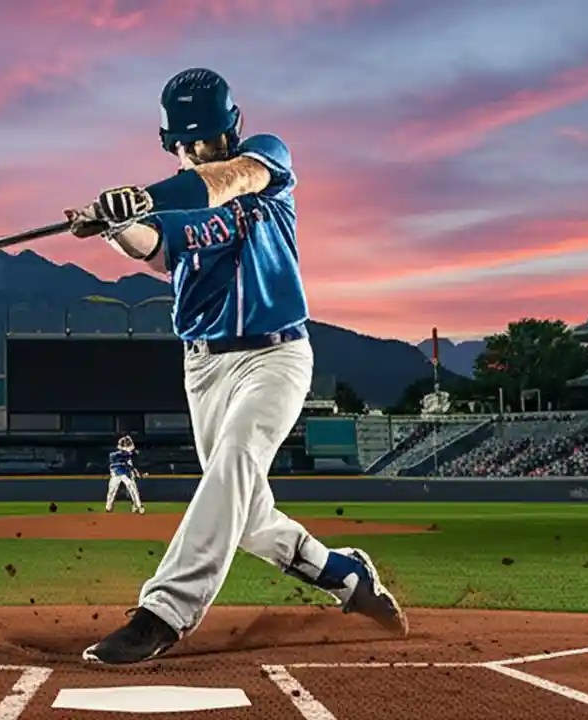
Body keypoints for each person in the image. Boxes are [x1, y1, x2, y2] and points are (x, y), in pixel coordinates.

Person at [64, 68, 407, 666]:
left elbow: (229, 180)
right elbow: (152, 246)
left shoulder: (265, 159)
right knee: (245, 513)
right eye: (186, 143)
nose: (197, 151)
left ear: (233, 127)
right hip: (203, 369)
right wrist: (119, 227)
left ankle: (163, 613)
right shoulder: (172, 198)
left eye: (209, 138)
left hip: (274, 354)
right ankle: (347, 576)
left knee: (236, 460)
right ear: (168, 139)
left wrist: (143, 197)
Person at [105, 435, 145, 514]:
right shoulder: (115, 453)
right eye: (127, 444)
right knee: (112, 490)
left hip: (125, 474)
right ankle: (108, 507)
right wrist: (128, 454)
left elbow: (131, 464)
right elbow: (114, 457)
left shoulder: (129, 455)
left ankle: (138, 506)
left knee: (133, 489)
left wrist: (135, 472)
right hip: (116, 473)